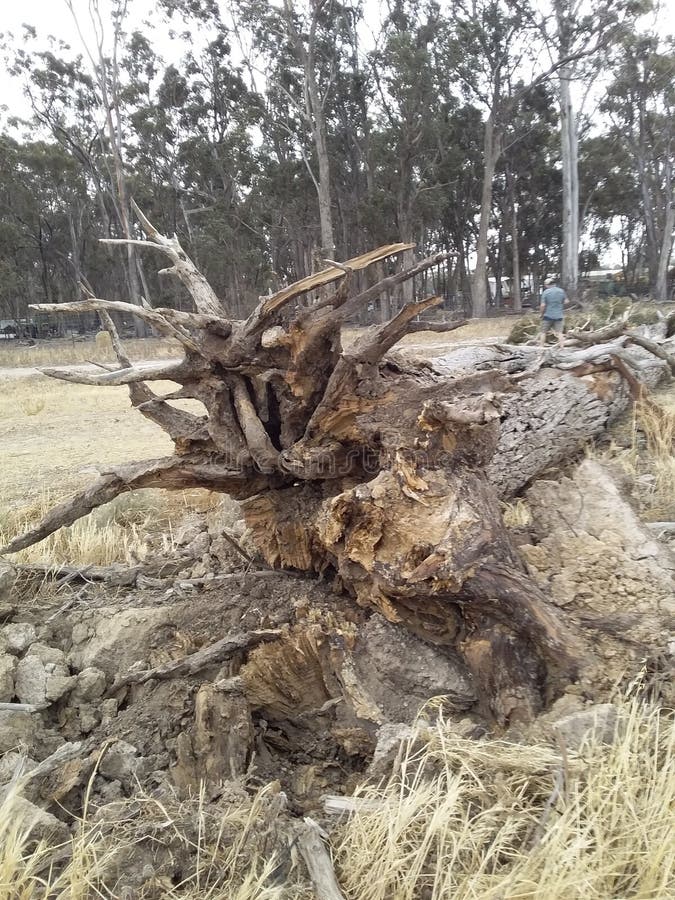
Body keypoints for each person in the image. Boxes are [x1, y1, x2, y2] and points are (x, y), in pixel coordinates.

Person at [539, 278, 566, 347]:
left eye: (545, 285)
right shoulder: (561, 291)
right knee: (560, 333)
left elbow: (543, 305)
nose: (545, 286)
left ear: (548, 285)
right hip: (559, 315)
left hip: (548, 315)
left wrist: (541, 314)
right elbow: (566, 301)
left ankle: (541, 348)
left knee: (543, 332)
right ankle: (562, 348)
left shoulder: (546, 292)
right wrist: (559, 305)